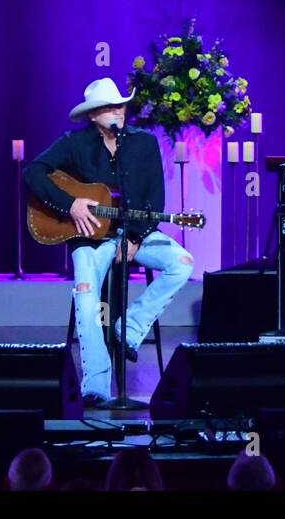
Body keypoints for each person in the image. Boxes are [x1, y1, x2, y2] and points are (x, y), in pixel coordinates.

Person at [24, 77, 194, 408]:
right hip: (89, 236)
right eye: (109, 107)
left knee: (182, 262)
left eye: (120, 105)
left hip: (134, 233)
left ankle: (128, 329)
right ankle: (97, 383)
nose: (118, 110)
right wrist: (70, 204)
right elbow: (33, 172)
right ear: (92, 115)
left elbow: (154, 200)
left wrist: (133, 238)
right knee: (86, 295)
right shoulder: (74, 144)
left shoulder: (144, 144)